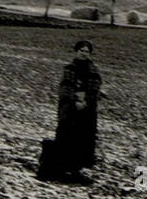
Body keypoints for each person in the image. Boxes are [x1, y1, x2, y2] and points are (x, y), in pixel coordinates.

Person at [42, 39, 102, 184]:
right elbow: (65, 87)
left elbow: (94, 88)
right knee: (66, 136)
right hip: (70, 109)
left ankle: (76, 170)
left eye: (87, 51)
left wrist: (87, 100)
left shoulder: (94, 70)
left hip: (87, 110)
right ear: (76, 51)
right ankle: (59, 168)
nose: (84, 54)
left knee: (83, 139)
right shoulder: (69, 68)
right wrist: (75, 100)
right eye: (81, 51)